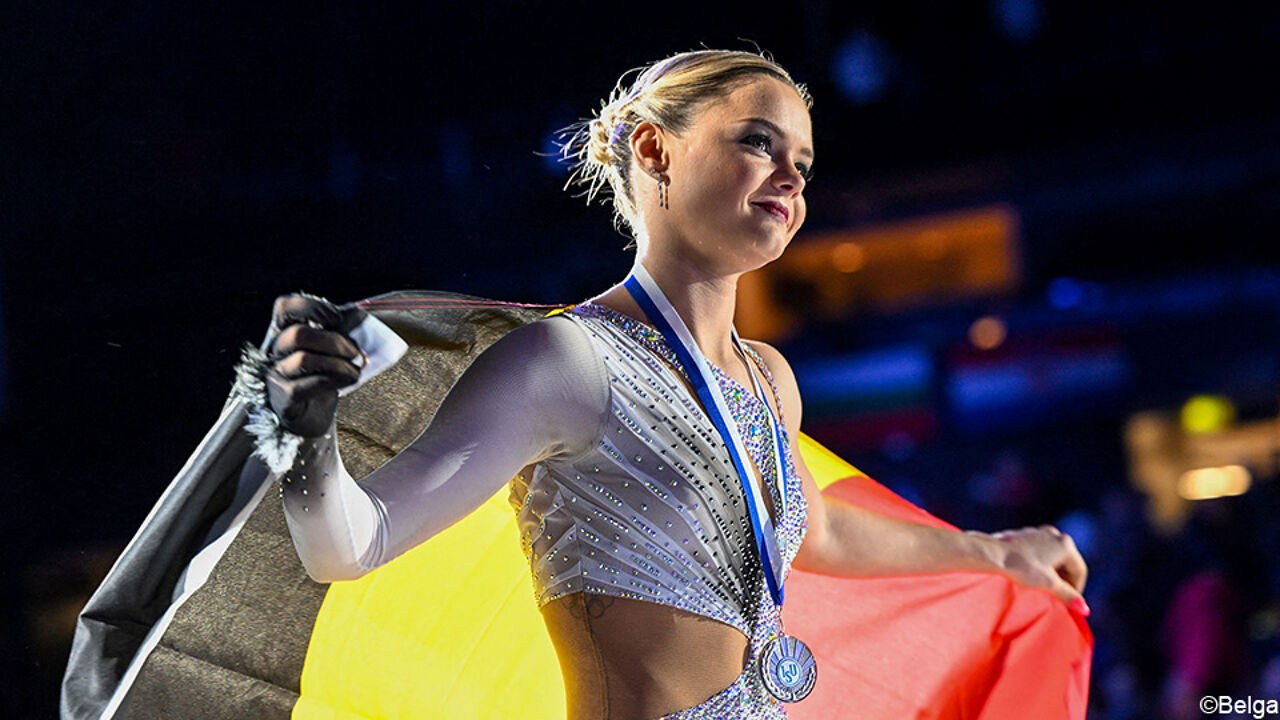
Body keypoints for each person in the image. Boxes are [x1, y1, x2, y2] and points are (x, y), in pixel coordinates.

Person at [255, 49, 1089, 720]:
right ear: (656, 149)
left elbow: (820, 535)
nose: (793, 178)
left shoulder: (768, 379)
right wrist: (301, 431)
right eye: (758, 142)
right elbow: (346, 547)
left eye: (802, 158)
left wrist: (994, 551)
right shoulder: (565, 363)